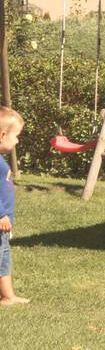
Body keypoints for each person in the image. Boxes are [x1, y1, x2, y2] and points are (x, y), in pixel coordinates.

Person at [0, 107, 29, 307]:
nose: (18, 141)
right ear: (2, 135)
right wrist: (1, 214)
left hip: (4, 224)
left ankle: (8, 296)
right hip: (1, 220)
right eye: (16, 136)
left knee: (4, 259)